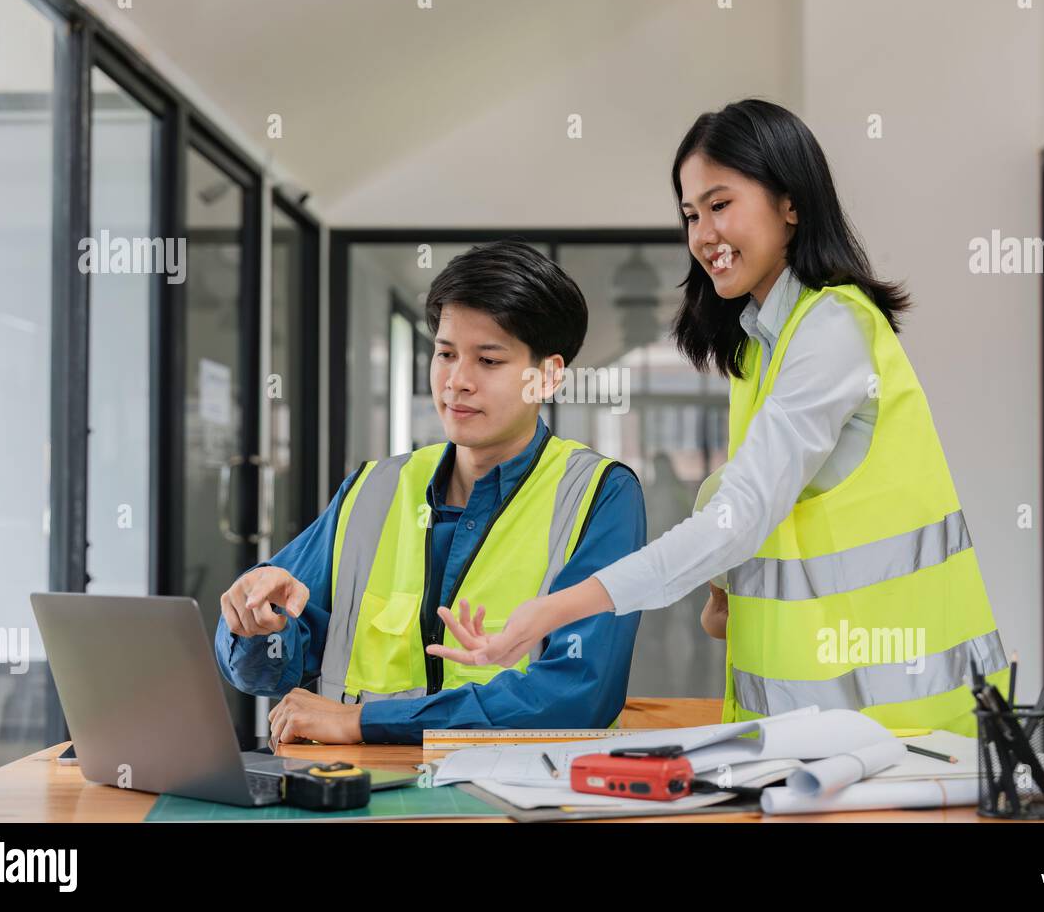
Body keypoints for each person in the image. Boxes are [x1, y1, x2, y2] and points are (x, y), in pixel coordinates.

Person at [428, 100, 1010, 737]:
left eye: (720, 204)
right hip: (822, 734)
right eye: (689, 214)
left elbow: (738, 521)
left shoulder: (833, 327)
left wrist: (549, 613)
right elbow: (763, 536)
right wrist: (732, 586)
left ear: (791, 203)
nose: (703, 234)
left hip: (905, 728)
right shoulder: (762, 348)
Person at [215, 241, 644, 746]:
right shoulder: (374, 489)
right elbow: (268, 672)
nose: (456, 381)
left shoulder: (600, 495)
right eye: (445, 354)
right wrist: (255, 624)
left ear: (546, 377)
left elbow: (576, 696)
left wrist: (362, 724)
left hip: (524, 801)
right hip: (361, 793)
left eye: (488, 360)